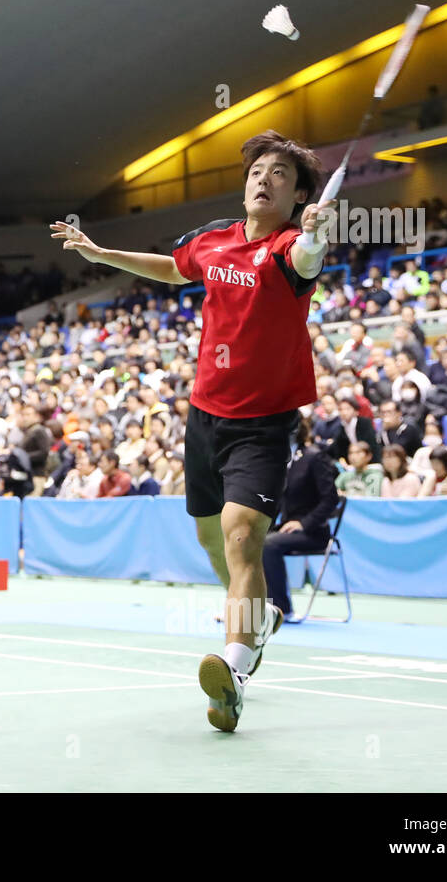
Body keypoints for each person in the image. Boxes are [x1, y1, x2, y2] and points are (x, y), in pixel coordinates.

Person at [54, 128, 333, 732]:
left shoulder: (290, 248)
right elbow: (175, 268)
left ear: (298, 195)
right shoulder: (214, 242)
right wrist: (102, 255)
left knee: (241, 536)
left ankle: (236, 664)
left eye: (280, 174)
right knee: (212, 541)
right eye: (258, 170)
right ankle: (255, 620)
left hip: (263, 422)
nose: (264, 178)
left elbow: (308, 261)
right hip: (205, 414)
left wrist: (315, 233)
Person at [260, 416, 339, 623]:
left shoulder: (314, 457)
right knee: (248, 541)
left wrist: (304, 523)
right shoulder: (281, 460)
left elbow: (331, 499)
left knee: (268, 545)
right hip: (285, 530)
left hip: (314, 532)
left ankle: (281, 610)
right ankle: (251, 609)